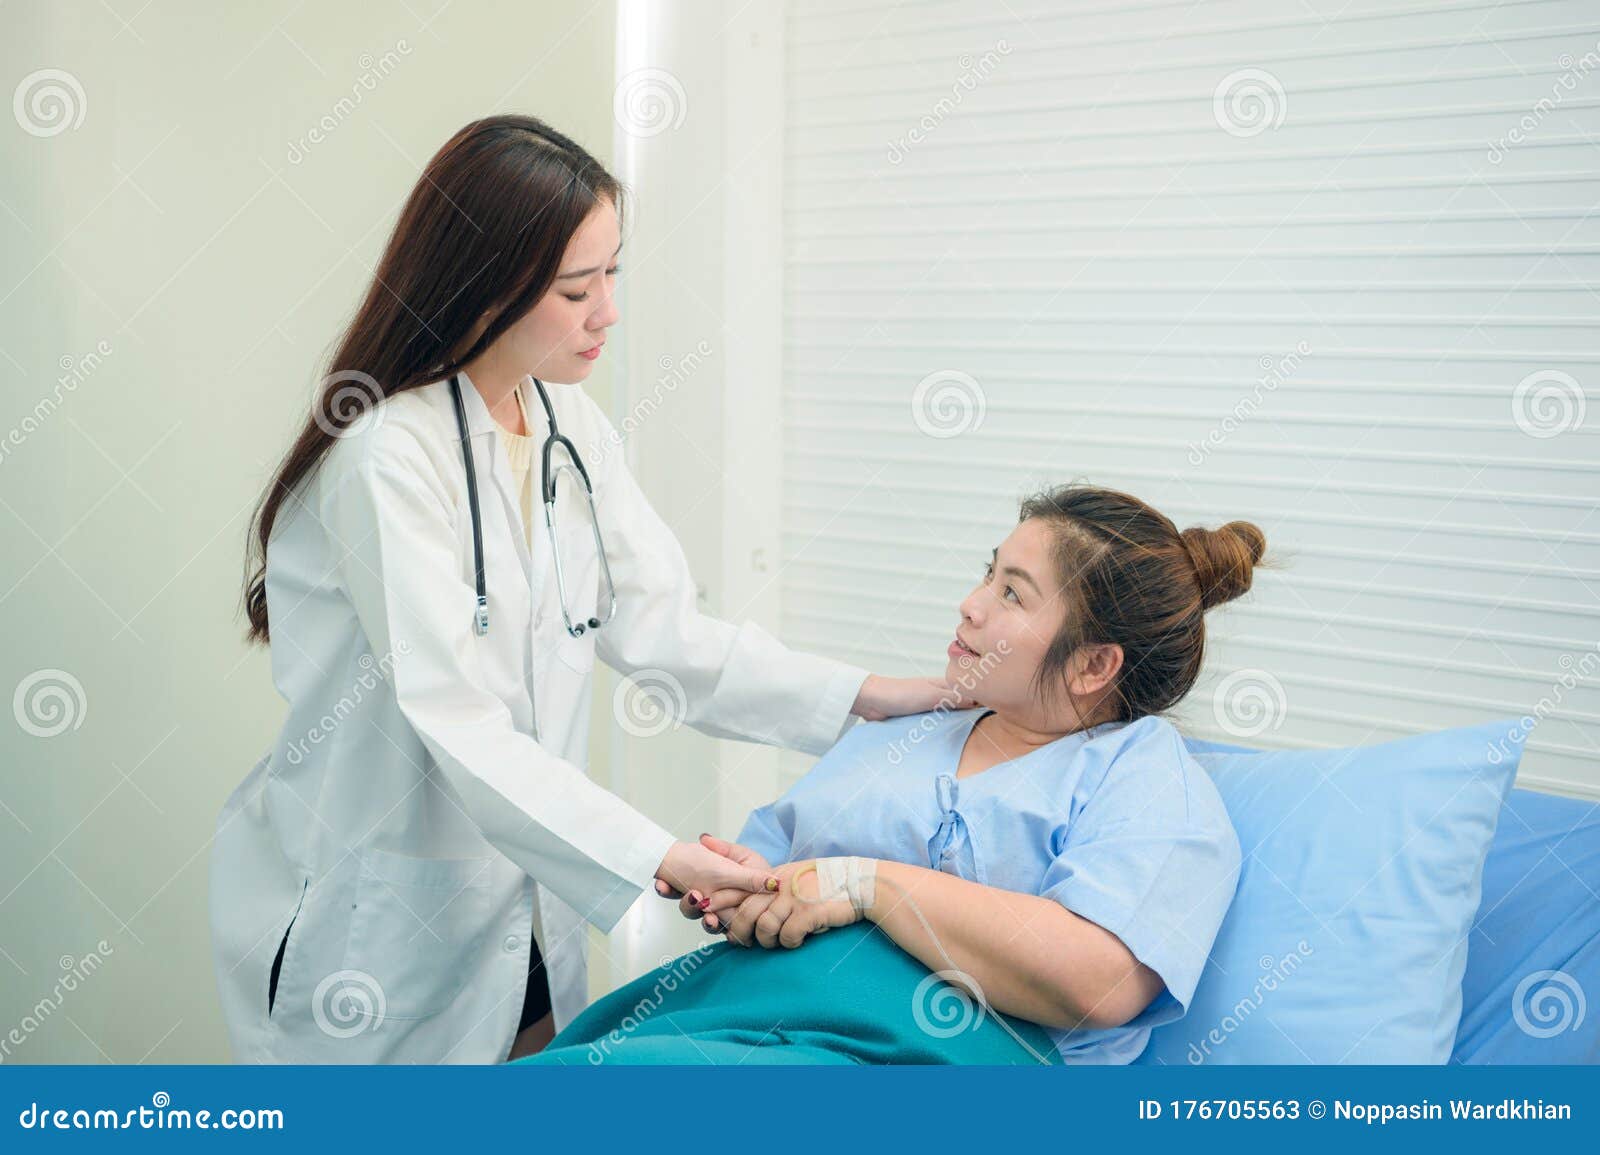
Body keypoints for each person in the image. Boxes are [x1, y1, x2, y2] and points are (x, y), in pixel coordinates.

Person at [209, 114, 955, 1064]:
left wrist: (873, 700)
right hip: (379, 925)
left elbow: (669, 634)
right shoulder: (387, 457)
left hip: (517, 907)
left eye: (612, 275)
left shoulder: (573, 429)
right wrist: (658, 855)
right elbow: (458, 720)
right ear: (484, 286)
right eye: (575, 288)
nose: (607, 310)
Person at [543, 484, 1257, 1065]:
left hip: (925, 1059)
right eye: (988, 573)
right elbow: (782, 864)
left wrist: (866, 886)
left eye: (1013, 593)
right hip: (749, 1009)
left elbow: (1096, 982)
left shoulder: (1148, 779)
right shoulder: (905, 733)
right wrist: (752, 889)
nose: (970, 603)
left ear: (1094, 664)